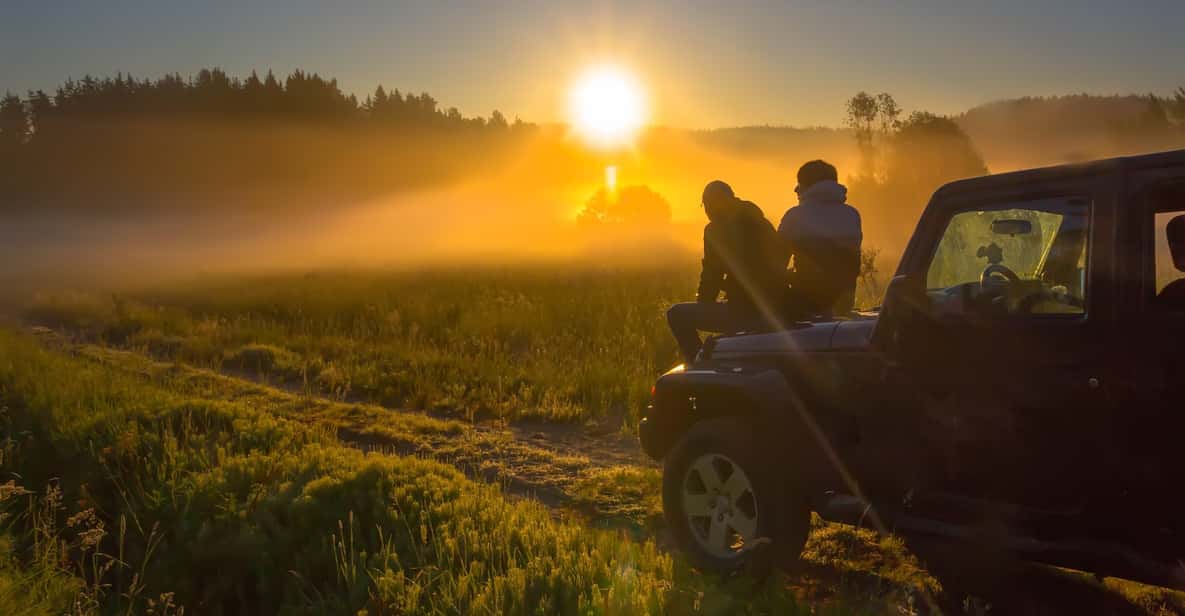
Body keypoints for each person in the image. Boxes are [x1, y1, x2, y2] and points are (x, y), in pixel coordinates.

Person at [667, 180, 787, 363]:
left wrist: (704, 304)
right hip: (778, 309)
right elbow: (780, 256)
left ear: (712, 205)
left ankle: (700, 364)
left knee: (676, 314)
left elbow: (711, 276)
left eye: (706, 206)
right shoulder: (761, 221)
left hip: (744, 312)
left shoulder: (715, 230)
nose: (706, 212)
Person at [777, 160, 863, 316]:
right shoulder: (852, 214)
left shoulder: (795, 216)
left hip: (807, 303)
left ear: (806, 186)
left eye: (799, 184)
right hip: (844, 303)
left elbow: (777, 261)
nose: (795, 190)